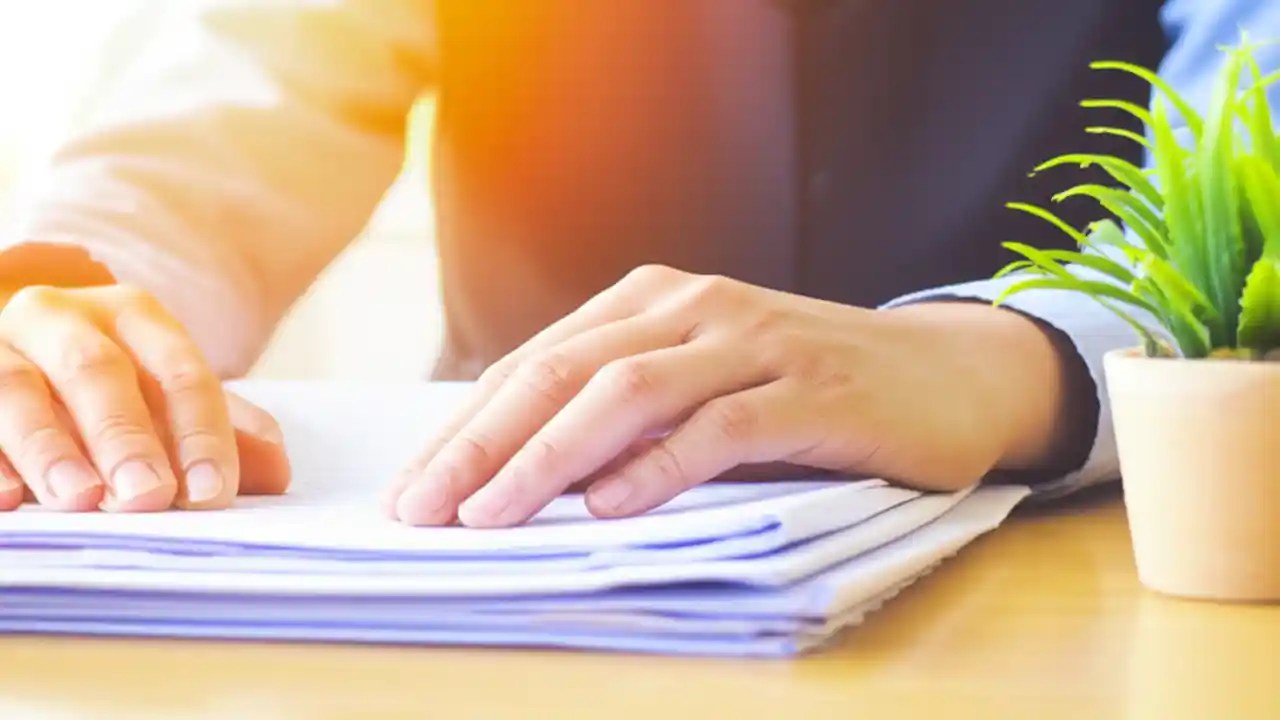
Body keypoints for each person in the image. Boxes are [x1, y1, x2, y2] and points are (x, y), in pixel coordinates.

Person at [0, 1, 1275, 525]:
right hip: (510, 553)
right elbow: (250, 77)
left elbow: (1250, 139)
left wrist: (1014, 353)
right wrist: (74, 286)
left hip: (1069, 539)